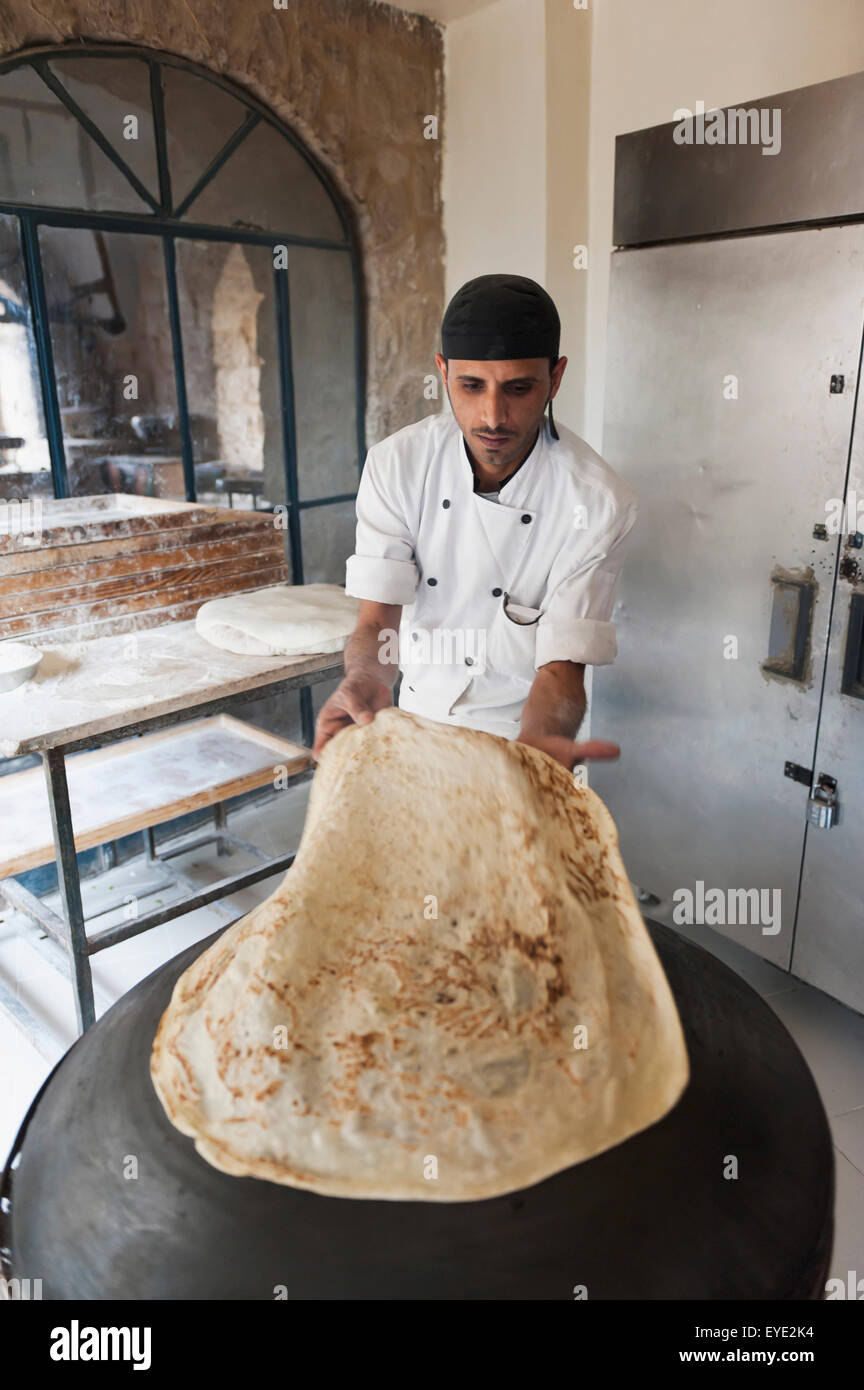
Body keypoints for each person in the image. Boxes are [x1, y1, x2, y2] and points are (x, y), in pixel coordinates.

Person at [312, 273, 637, 772]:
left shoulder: (595, 502)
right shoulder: (398, 465)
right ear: (443, 372)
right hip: (414, 722)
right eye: (471, 386)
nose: (492, 416)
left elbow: (560, 667)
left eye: (519, 388)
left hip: (520, 740)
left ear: (556, 378)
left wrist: (539, 753)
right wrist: (364, 680)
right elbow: (378, 619)